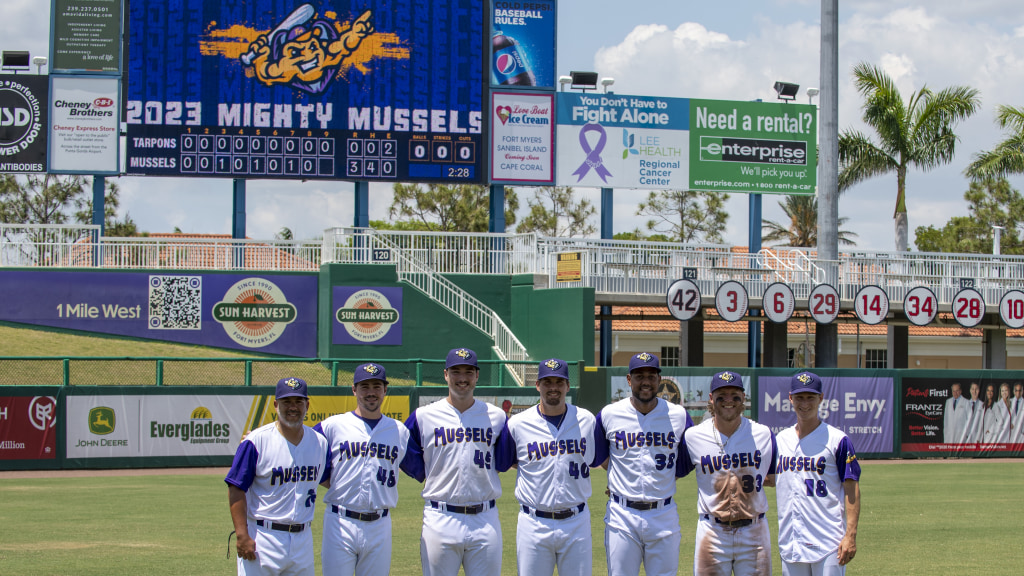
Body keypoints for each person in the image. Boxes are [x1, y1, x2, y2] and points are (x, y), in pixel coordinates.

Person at [400, 348, 513, 576]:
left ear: (477, 376)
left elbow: (503, 460)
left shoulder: (496, 417)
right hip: (440, 516)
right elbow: (402, 446)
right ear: (445, 375)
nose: (462, 378)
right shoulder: (425, 415)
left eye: (468, 372)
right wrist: (423, 473)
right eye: (456, 372)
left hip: (484, 517)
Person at [594, 352, 693, 576]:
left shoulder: (678, 415)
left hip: (663, 513)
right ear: (629, 380)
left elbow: (685, 462)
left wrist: (662, 479)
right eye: (639, 376)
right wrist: (621, 476)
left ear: (659, 380)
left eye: (651, 375)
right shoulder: (610, 414)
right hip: (622, 514)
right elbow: (600, 456)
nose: (645, 381)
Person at [502, 358, 599, 576]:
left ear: (567, 386)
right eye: (547, 382)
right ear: (537, 385)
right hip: (533, 522)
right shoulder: (518, 424)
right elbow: (511, 461)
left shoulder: (586, 420)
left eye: (559, 381)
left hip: (576, 520)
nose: (553, 387)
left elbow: (599, 458)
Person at [225, 377, 330, 576]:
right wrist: (241, 535)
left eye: (298, 402)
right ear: (275, 405)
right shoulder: (256, 441)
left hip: (303, 538)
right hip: (264, 536)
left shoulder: (319, 443)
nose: (293, 407)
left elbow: (327, 478)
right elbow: (236, 488)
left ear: (307, 405)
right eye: (286, 402)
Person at [314, 363, 409, 576]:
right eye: (365, 386)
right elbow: (302, 445)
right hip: (340, 521)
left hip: (380, 523)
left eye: (377, 386)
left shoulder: (399, 430)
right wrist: (255, 440)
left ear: (385, 390)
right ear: (354, 389)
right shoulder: (334, 425)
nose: (371, 392)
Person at [678, 370, 776, 576]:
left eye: (735, 395)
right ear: (711, 399)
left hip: (754, 531)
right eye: (722, 395)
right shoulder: (694, 437)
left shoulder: (763, 434)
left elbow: (774, 478)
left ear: (743, 398)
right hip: (713, 531)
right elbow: (673, 473)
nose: (728, 400)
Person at [774, 372, 862, 576]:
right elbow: (771, 478)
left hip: (828, 542)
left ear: (821, 398)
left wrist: (851, 534)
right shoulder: (781, 440)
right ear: (790, 398)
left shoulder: (837, 439)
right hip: (792, 541)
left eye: (810, 397)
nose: (804, 403)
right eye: (799, 398)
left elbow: (852, 488)